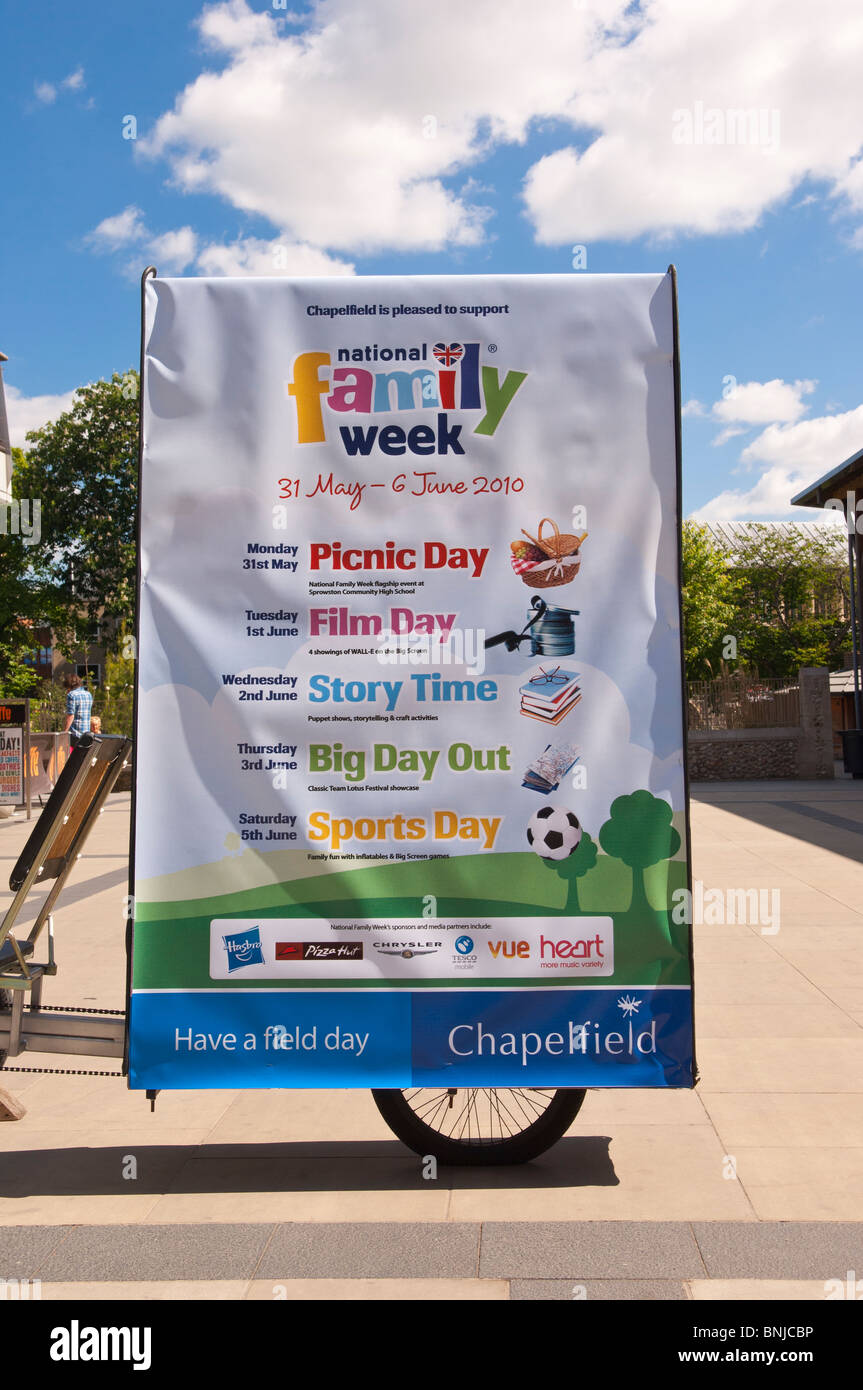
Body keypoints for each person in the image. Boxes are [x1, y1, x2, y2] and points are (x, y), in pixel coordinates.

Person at [63, 674, 93, 749]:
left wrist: (64, 732)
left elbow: (71, 715)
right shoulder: (88, 694)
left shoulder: (71, 695)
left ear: (69, 685)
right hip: (86, 733)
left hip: (75, 734)